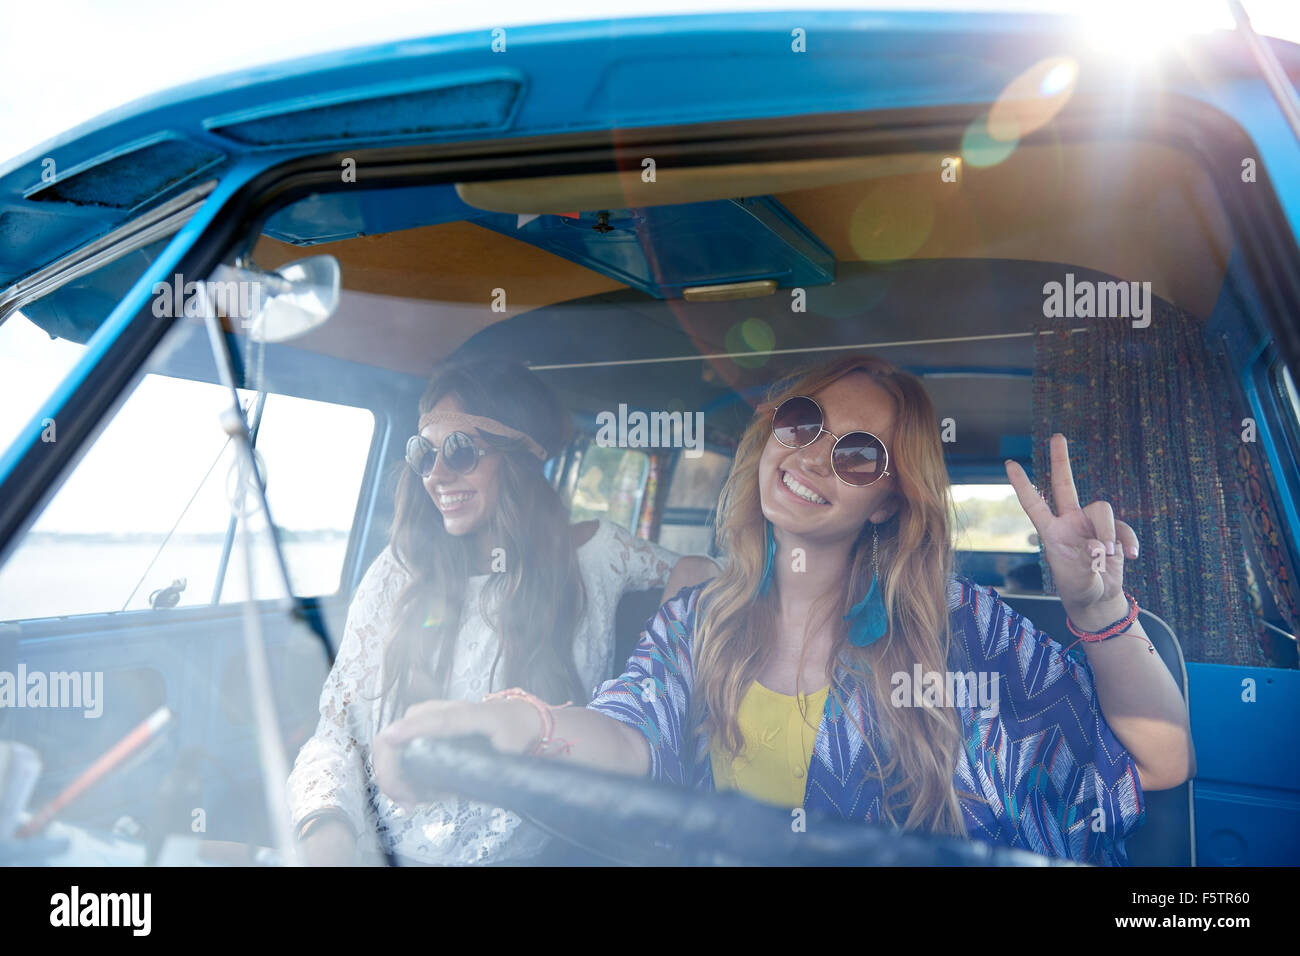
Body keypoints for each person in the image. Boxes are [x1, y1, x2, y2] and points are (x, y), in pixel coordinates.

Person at [372, 354, 1195, 865]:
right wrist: (518, 724)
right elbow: (628, 737)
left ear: (886, 502)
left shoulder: (956, 629)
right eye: (801, 422)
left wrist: (1098, 604)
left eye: (858, 451)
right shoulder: (697, 620)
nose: (810, 456)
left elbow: (1159, 762)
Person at [287, 356, 716, 865]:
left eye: (461, 451)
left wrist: (679, 688)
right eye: (424, 454)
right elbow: (336, 733)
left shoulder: (599, 555)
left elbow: (716, 575)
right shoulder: (400, 570)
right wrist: (325, 834)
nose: (437, 474)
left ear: (520, 459)